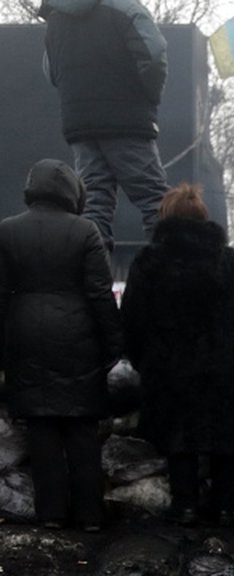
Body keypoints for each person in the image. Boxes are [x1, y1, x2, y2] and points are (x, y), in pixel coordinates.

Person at [120, 183, 234, 525]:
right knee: (226, 438)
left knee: (179, 438)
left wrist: (144, 360)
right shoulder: (229, 261)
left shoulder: (149, 263)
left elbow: (132, 318)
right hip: (224, 367)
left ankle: (185, 505)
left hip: (169, 368)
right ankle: (225, 506)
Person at [0, 159, 123, 530]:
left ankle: (51, 513)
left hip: (26, 335)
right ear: (72, 192)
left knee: (42, 429)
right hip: (77, 335)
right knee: (82, 428)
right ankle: (90, 515)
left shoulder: (7, 231)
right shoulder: (86, 231)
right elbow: (101, 294)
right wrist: (114, 342)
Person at [41, 0, 170, 250]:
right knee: (155, 199)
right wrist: (150, 97)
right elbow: (154, 56)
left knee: (94, 204)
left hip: (80, 125)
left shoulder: (56, 17)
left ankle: (93, 280)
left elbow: (51, 71)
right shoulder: (127, 9)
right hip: (127, 120)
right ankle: (172, 273)